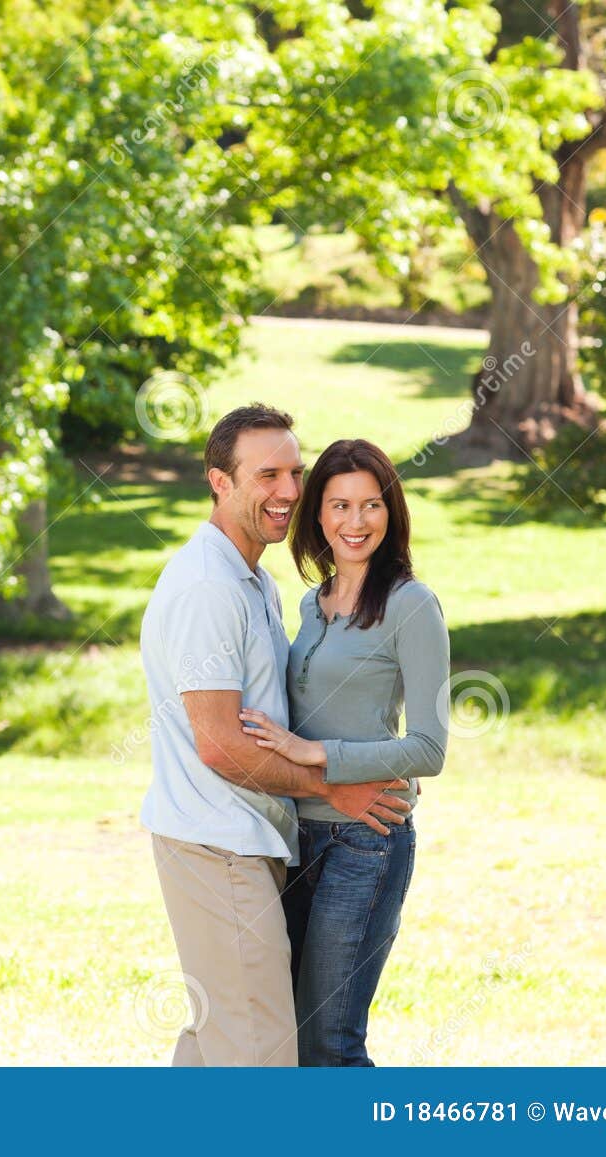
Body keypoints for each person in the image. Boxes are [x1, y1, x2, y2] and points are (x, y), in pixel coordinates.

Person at [140, 406, 412, 1067]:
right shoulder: (209, 586)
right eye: (267, 473)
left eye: (295, 471)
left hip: (242, 839)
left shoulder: (253, 579)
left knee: (217, 1046)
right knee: (260, 1055)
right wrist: (335, 790)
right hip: (219, 844)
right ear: (220, 482)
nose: (289, 490)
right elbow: (219, 743)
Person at [239, 438, 450, 1066]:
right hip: (297, 838)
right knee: (294, 1041)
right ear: (318, 515)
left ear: (392, 513)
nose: (355, 523)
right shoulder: (312, 602)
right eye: (339, 506)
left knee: (332, 1042)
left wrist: (317, 755)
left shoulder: (412, 606)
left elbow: (430, 748)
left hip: (366, 840)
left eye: (370, 506)